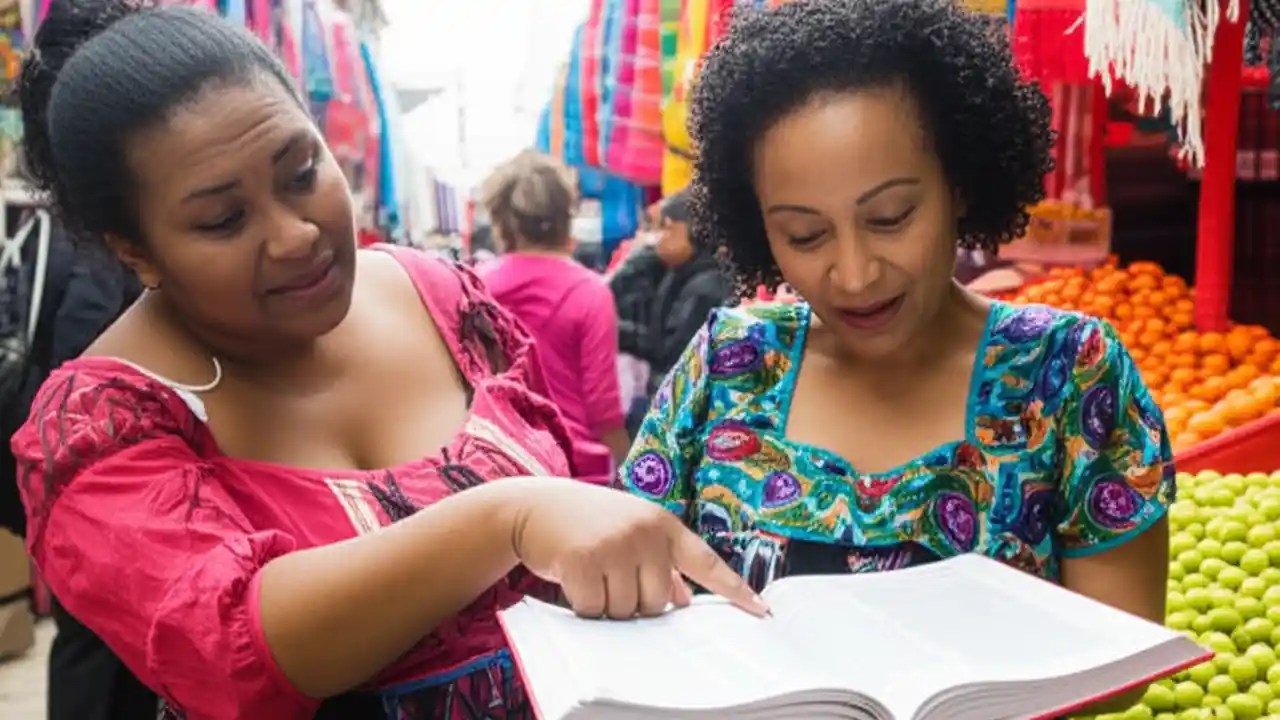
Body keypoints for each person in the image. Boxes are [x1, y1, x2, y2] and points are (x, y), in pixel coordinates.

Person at [10, 3, 764, 719]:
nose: (296, 235)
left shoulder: (440, 297)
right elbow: (237, 650)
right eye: (224, 219)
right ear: (134, 249)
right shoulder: (107, 424)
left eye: (302, 172)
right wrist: (507, 515)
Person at [617, 0, 1171, 713]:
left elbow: (1122, 670)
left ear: (960, 185)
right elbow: (639, 591)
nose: (854, 274)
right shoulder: (726, 365)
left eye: (890, 219)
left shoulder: (1070, 377)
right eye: (805, 236)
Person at [476, 151, 630, 483]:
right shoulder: (590, 292)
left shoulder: (475, 286)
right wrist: (630, 473)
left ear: (502, 223)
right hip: (576, 476)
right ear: (566, 217)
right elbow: (603, 406)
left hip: (494, 470)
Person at [614, 190, 732, 435]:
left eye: (667, 228)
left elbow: (672, 353)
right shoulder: (678, 274)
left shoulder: (705, 289)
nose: (659, 239)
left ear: (697, 231)